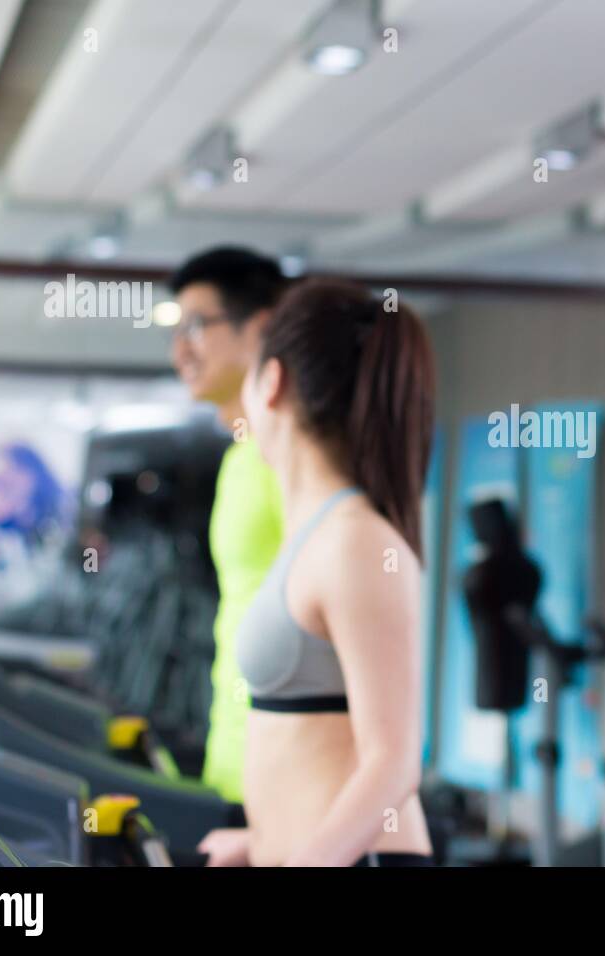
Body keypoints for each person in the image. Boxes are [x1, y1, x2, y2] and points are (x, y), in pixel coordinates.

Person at [198, 277, 436, 866]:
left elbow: (395, 760)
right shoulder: (314, 537)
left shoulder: (356, 543)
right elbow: (318, 748)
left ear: (271, 381)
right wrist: (261, 844)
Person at [168, 247, 286, 808]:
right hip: (234, 770)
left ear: (259, 327)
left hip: (282, 782)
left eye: (197, 325)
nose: (180, 349)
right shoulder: (243, 455)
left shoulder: (288, 450)